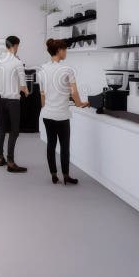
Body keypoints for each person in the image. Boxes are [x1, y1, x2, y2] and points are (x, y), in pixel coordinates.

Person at [38, 38, 89, 185]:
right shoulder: (67, 69)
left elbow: (42, 95)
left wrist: (45, 109)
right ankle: (66, 176)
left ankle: (54, 175)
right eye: (65, 49)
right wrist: (80, 104)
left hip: (47, 114)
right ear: (59, 51)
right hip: (61, 115)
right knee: (64, 146)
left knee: (51, 144)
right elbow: (74, 92)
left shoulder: (42, 70)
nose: (66, 52)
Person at [0, 35, 29, 173]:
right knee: (14, 131)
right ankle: (10, 162)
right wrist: (26, 91)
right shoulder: (17, 62)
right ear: (15, 46)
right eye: (18, 46)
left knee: (3, 128)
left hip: (1, 99)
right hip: (13, 101)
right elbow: (23, 85)